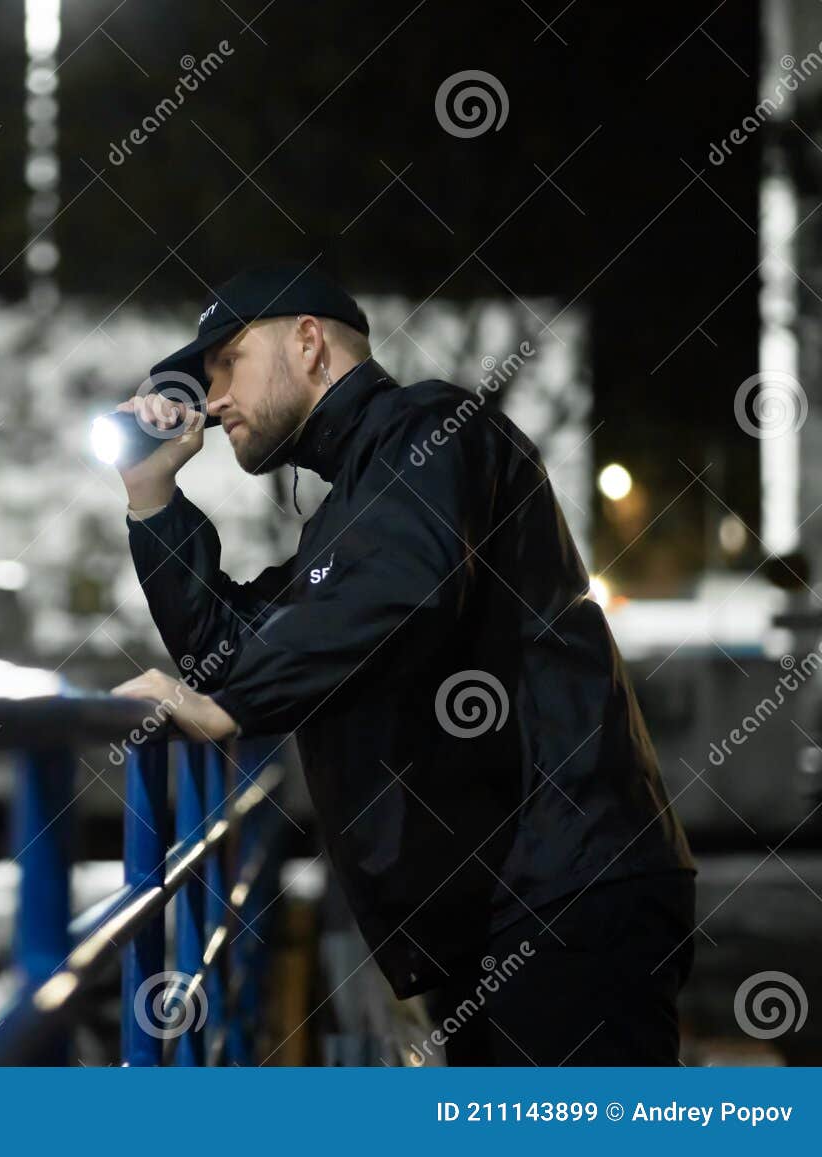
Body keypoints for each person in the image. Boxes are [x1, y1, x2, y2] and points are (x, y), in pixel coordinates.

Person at [107, 262, 697, 1065]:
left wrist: (240, 706)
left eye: (228, 363)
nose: (211, 401)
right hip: (501, 904)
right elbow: (230, 651)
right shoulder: (349, 511)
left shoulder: (434, 428)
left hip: (568, 886)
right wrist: (151, 498)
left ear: (308, 343)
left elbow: (400, 596)